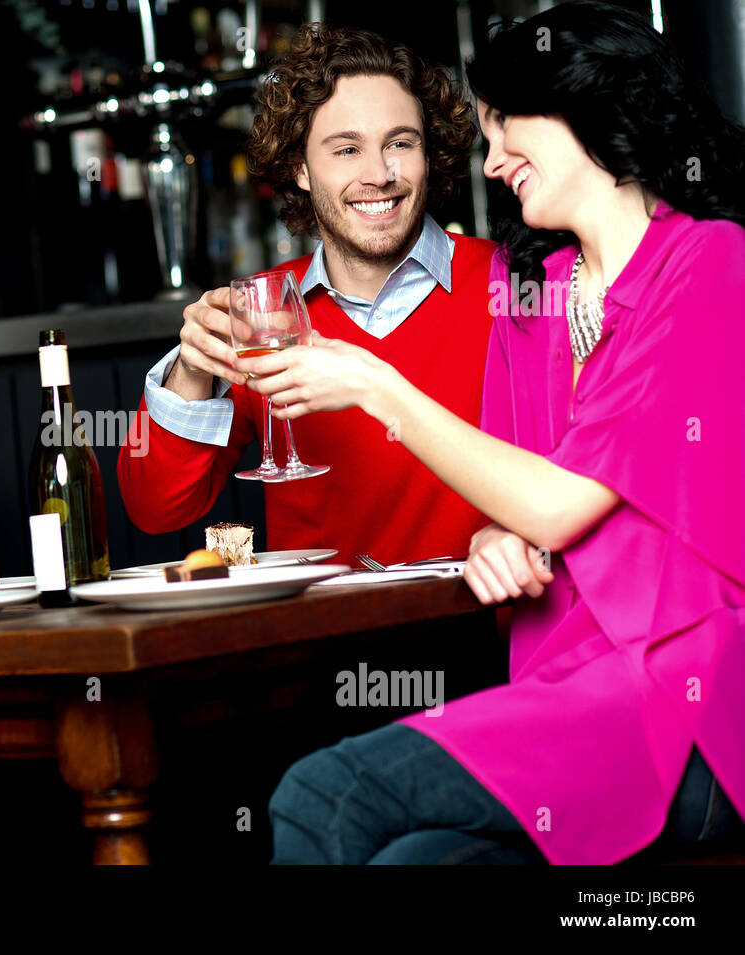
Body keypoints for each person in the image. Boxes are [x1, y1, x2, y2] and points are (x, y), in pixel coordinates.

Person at [266, 2, 745, 864]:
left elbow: (560, 505)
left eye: (504, 127)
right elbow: (524, 494)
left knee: (321, 794)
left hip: (682, 702)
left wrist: (379, 386)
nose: (491, 162)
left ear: (586, 103)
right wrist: (494, 532)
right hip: (557, 688)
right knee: (415, 862)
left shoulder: (709, 264)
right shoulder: (533, 298)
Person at [118, 25, 497, 565]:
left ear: (429, 154)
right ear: (300, 168)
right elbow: (157, 510)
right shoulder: (265, 313)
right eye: (346, 149)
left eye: (400, 143)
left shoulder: (510, 286)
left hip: (485, 634)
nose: (379, 175)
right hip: (320, 642)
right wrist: (192, 371)